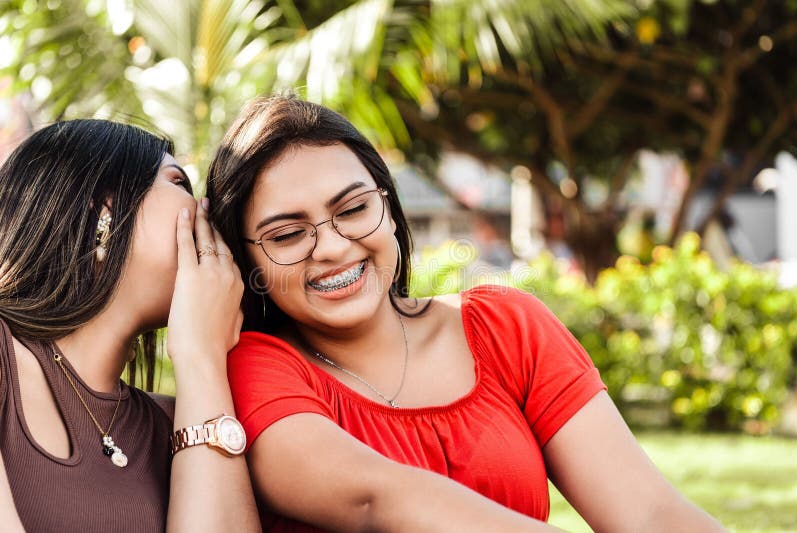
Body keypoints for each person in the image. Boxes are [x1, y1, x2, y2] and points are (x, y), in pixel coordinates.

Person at [207, 95, 726, 532]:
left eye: (353, 208)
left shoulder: (506, 328)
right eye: (288, 234)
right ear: (245, 257)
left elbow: (651, 513)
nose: (334, 246)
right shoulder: (256, 367)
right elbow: (377, 498)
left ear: (389, 208)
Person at [0, 119, 260, 531]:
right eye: (179, 183)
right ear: (105, 209)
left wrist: (201, 358)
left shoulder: (176, 422)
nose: (209, 214)